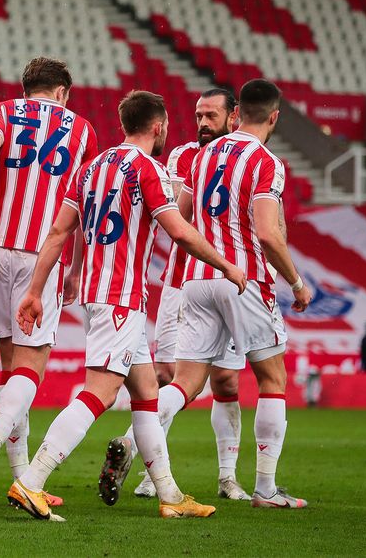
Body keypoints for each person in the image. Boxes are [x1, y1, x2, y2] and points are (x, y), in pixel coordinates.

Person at [8, 90, 243, 521]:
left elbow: (58, 233)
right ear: (158, 127)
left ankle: (170, 495)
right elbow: (180, 231)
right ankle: (31, 481)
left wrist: (35, 290)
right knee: (99, 392)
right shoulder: (148, 169)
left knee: (147, 394)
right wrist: (226, 265)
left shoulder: (90, 168)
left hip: (102, 294)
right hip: (119, 298)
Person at [166, 78, 314, 509]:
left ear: (236, 114)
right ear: (274, 117)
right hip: (244, 279)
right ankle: (266, 489)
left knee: (185, 382)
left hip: (197, 277)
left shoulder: (202, 155)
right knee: (272, 378)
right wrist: (296, 283)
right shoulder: (267, 162)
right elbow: (267, 234)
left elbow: (181, 219)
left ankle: (132, 440)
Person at [99, 88, 252, 503]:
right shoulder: (184, 157)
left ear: (233, 117)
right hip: (185, 282)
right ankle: (146, 463)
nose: (202, 123)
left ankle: (225, 478)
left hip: (216, 282)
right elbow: (177, 220)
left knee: (225, 380)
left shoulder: (245, 158)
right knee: (171, 377)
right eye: (199, 115)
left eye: (211, 115)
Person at [0, 56, 98, 511]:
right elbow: (85, 206)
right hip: (44, 255)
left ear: (26, 88)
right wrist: (76, 267)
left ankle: (20, 479)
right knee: (30, 369)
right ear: (61, 92)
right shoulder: (82, 129)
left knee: (11, 371)